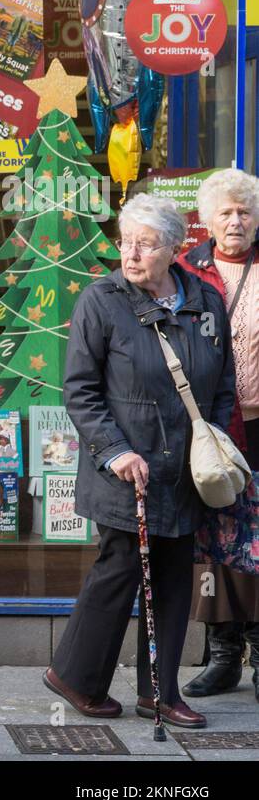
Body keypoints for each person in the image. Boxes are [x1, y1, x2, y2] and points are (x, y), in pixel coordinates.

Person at [45, 194, 236, 729]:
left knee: (175, 576)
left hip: (185, 471)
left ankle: (162, 693)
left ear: (174, 249)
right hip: (128, 467)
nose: (130, 254)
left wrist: (213, 438)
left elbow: (224, 381)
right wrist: (116, 451)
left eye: (145, 245)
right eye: (125, 242)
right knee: (122, 567)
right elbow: (80, 391)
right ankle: (77, 677)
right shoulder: (102, 300)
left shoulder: (204, 301)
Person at [176, 169, 259, 700]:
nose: (235, 221)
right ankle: (224, 654)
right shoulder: (186, 271)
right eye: (225, 212)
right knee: (217, 542)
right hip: (212, 429)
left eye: (244, 211)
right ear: (205, 220)